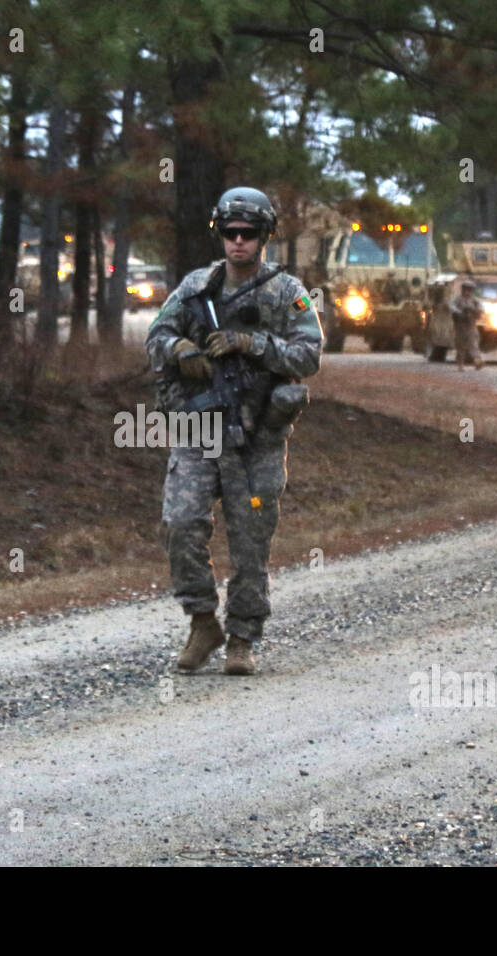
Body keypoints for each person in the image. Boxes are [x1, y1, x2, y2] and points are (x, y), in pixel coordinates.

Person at [146, 187, 322, 675]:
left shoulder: (288, 292)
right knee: (181, 523)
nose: (238, 241)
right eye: (230, 232)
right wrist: (181, 349)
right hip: (200, 427)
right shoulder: (196, 287)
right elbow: (155, 335)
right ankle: (203, 621)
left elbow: (309, 354)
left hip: (257, 436)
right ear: (219, 234)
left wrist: (252, 344)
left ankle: (243, 636)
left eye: (247, 233)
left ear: (264, 236)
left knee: (249, 542)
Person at [448, 280, 484, 370]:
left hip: (471, 325)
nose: (468, 291)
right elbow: (451, 306)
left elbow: (481, 307)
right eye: (466, 289)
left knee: (474, 343)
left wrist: (476, 311)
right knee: (460, 346)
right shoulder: (457, 299)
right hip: (460, 326)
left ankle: (477, 361)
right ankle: (460, 364)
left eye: (470, 290)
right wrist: (459, 312)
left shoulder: (474, 300)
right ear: (463, 289)